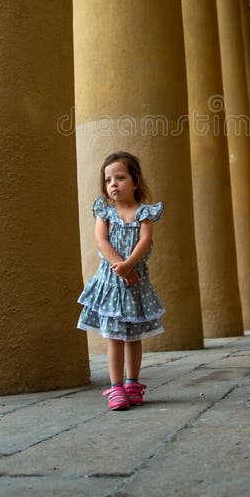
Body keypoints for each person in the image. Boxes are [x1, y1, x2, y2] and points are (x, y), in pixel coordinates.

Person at [77, 151, 165, 411]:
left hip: (134, 282)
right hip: (112, 283)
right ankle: (115, 388)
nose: (113, 184)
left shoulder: (144, 213)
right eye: (108, 180)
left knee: (133, 337)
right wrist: (120, 266)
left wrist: (130, 265)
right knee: (113, 337)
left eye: (120, 177)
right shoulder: (105, 212)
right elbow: (101, 241)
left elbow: (145, 240)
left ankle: (132, 384)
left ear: (135, 181)